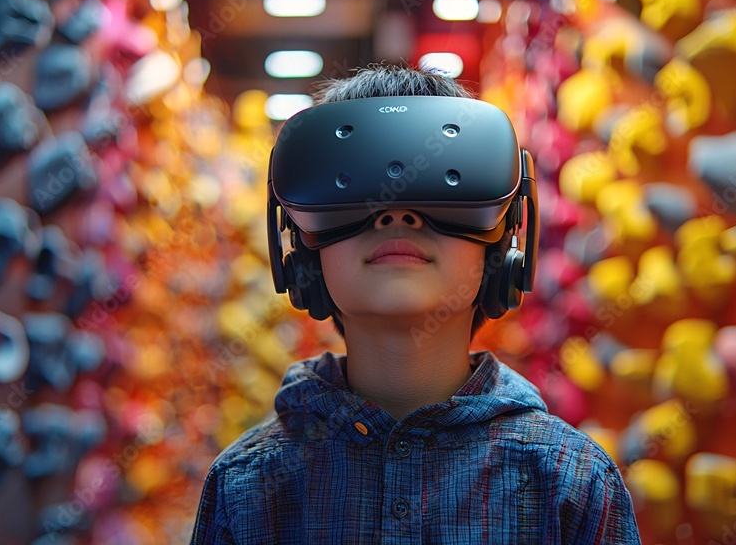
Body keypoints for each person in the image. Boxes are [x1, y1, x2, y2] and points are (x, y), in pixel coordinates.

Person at [191, 65, 641, 544]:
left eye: (446, 190)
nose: (396, 214)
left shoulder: (569, 484)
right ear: (303, 257)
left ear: (503, 247)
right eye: (352, 193)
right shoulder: (246, 488)